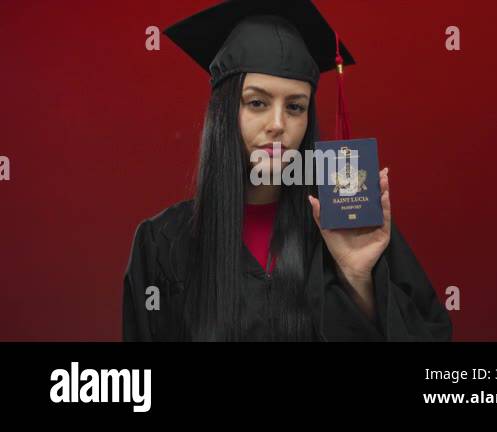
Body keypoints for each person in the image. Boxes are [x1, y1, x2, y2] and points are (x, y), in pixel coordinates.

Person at [122, 0, 452, 342]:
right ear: (223, 114)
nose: (278, 124)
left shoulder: (347, 223)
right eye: (257, 103)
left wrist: (356, 280)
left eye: (295, 107)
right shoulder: (161, 244)